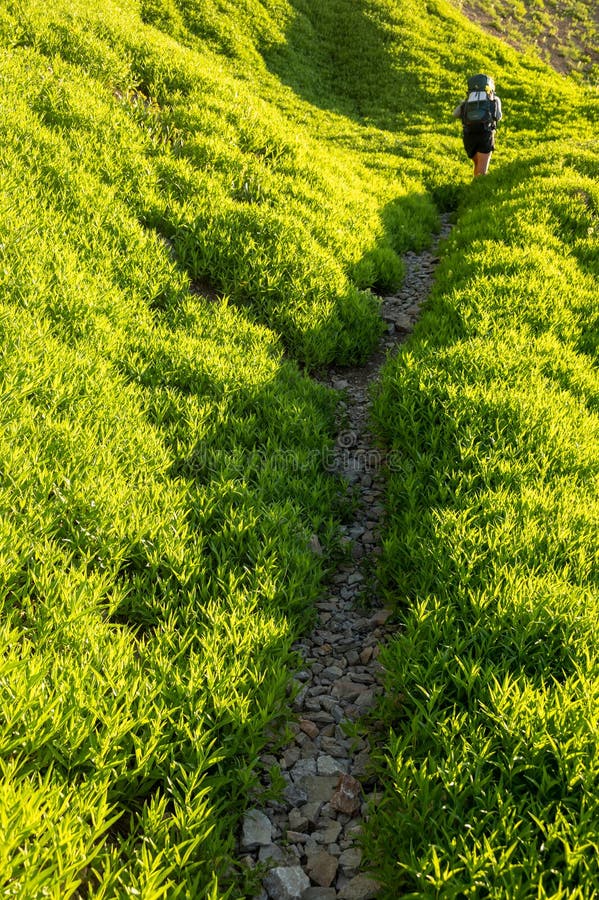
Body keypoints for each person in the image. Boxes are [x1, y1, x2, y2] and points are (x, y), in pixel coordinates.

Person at [453, 74, 502, 176]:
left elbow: (455, 114)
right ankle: (476, 190)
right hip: (485, 134)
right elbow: (498, 116)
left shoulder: (468, 100)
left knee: (477, 165)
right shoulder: (494, 99)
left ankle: (473, 188)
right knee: (482, 172)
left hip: (469, 136)